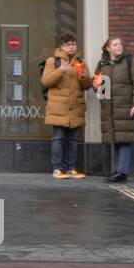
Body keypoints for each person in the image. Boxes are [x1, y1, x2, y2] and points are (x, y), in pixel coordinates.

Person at [42, 32, 93, 179]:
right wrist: (59, 71)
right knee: (58, 138)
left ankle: (72, 168)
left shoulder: (80, 62)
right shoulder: (53, 61)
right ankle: (57, 169)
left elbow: (86, 86)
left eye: (73, 44)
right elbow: (45, 82)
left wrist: (83, 77)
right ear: (62, 47)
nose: (71, 47)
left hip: (75, 106)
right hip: (59, 107)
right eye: (67, 44)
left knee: (72, 139)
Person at [95, 37, 134, 183]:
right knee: (116, 139)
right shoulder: (103, 64)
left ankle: (122, 172)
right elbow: (99, 88)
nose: (119, 47)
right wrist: (100, 90)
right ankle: (118, 170)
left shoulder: (130, 61)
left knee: (124, 140)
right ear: (108, 48)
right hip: (109, 109)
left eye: (120, 44)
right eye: (115, 45)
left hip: (125, 107)